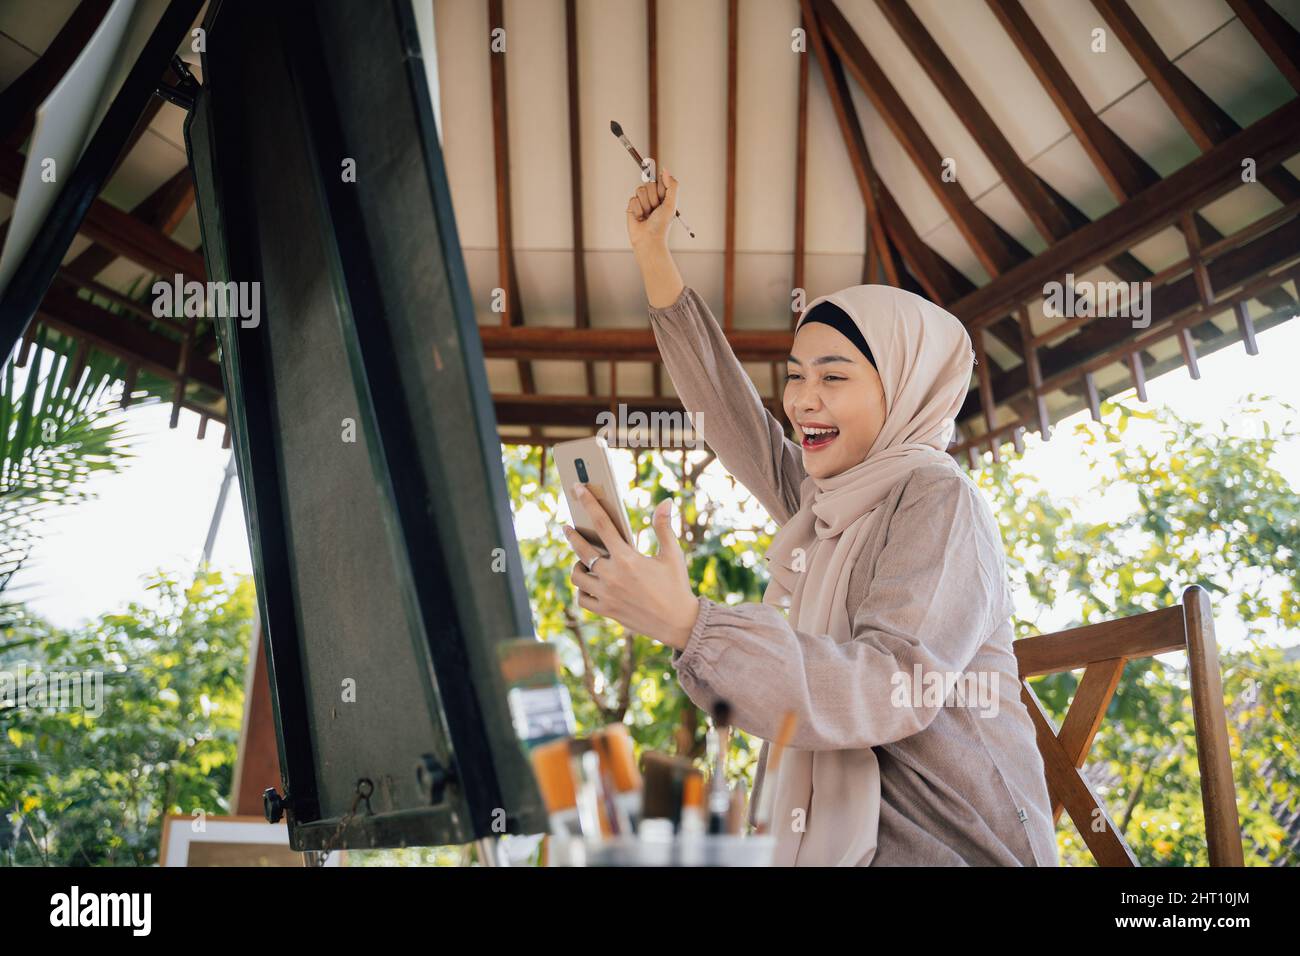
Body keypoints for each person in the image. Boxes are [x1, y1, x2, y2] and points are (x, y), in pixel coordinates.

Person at [559, 167, 1058, 866]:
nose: (801, 401)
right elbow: (734, 420)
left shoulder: (940, 503)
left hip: (947, 848)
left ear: (906, 390)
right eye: (795, 375)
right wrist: (654, 257)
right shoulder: (827, 505)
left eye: (833, 376)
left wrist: (690, 625)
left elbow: (889, 687)